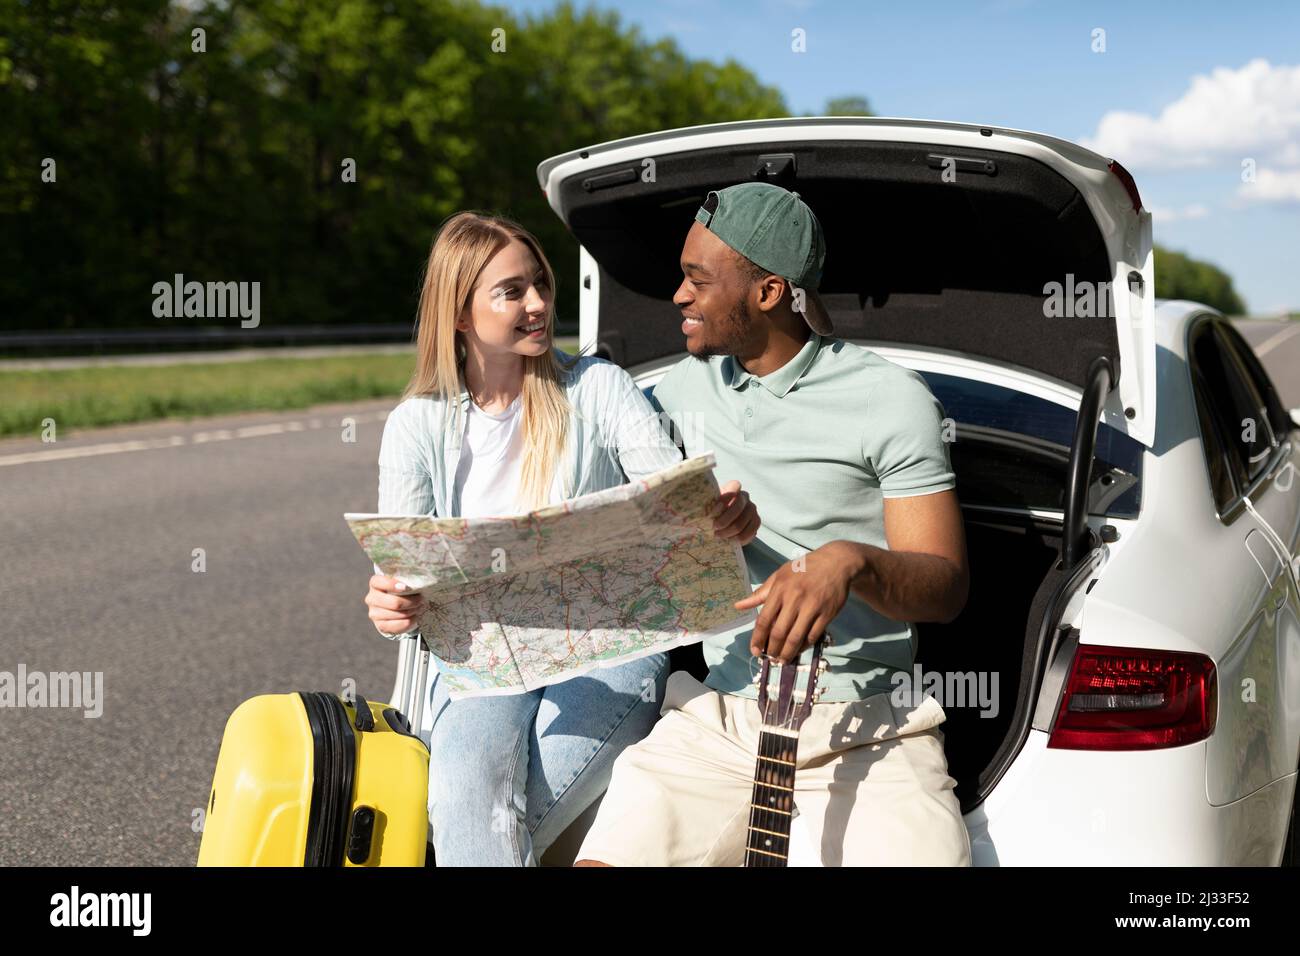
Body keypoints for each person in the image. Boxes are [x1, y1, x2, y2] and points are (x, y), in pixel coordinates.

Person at [575, 182, 973, 867]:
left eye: (698, 280)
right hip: (722, 713)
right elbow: (563, 483)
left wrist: (851, 561)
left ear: (766, 293)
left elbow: (945, 587)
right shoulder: (675, 395)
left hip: (869, 724)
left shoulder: (891, 401)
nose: (678, 295)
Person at [363, 211, 760, 866]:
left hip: (610, 645)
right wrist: (391, 610)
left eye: (541, 283)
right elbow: (405, 588)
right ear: (459, 314)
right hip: (481, 664)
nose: (539, 303)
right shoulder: (417, 425)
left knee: (516, 800)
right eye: (512, 291)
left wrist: (720, 517)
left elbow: (673, 500)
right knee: (465, 794)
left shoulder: (598, 388)